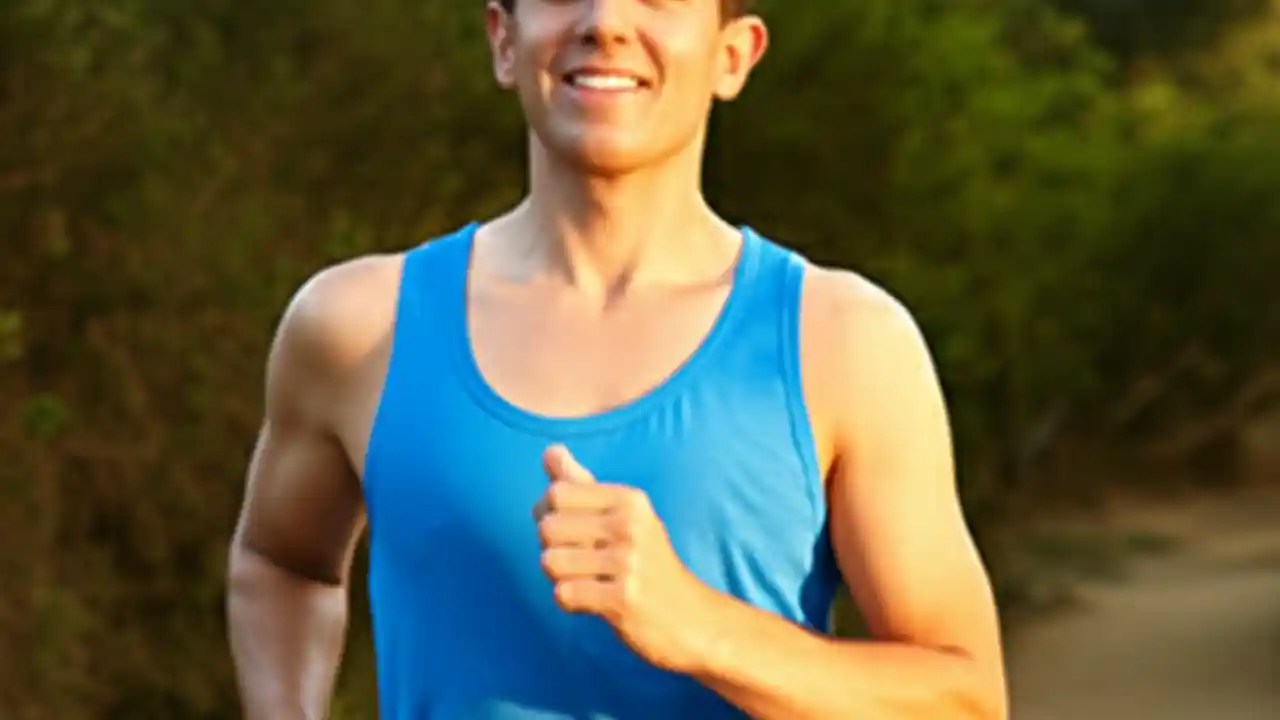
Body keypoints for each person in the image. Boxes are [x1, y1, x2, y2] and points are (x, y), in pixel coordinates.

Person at [226, 0, 1008, 718]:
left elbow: (966, 702)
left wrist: (696, 625)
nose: (605, 21)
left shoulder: (841, 343)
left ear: (733, 55)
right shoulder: (358, 329)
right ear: (503, 39)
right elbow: (279, 562)